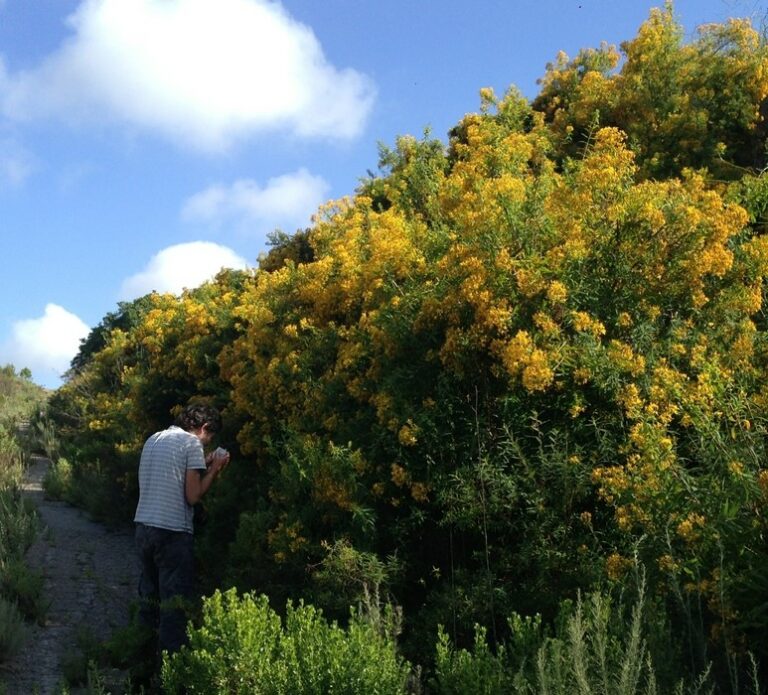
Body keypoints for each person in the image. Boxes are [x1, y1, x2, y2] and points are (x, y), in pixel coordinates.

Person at [133, 403, 230, 658]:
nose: (208, 443)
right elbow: (193, 495)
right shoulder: (191, 444)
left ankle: (139, 663)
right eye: (209, 437)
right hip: (172, 533)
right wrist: (215, 469)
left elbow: (170, 474)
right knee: (173, 608)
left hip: (143, 528)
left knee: (149, 602)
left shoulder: (154, 439)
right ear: (204, 427)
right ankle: (170, 674)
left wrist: (204, 463)